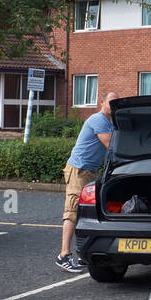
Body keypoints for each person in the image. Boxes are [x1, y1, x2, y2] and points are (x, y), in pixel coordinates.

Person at [57, 92, 116, 272]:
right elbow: (111, 145)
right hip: (79, 170)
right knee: (73, 211)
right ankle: (63, 255)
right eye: (111, 102)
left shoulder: (111, 123)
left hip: (91, 171)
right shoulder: (97, 120)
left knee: (87, 213)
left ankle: (84, 255)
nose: (113, 106)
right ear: (102, 102)